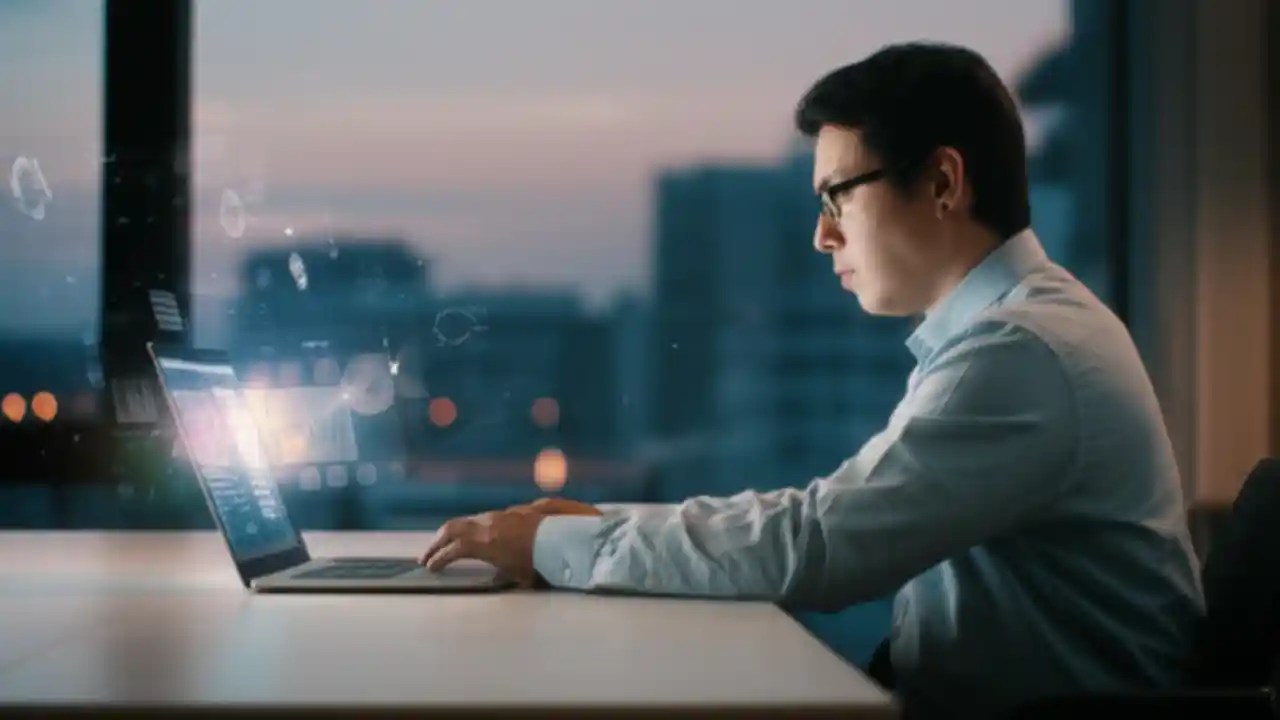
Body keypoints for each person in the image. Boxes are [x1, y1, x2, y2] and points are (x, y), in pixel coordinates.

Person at [420, 41, 1205, 719]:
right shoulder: (1017, 329)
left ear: (943, 182)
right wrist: (596, 528)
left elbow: (820, 545)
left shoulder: (1021, 351)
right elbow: (824, 518)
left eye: (837, 196)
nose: (822, 235)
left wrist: (562, 543)